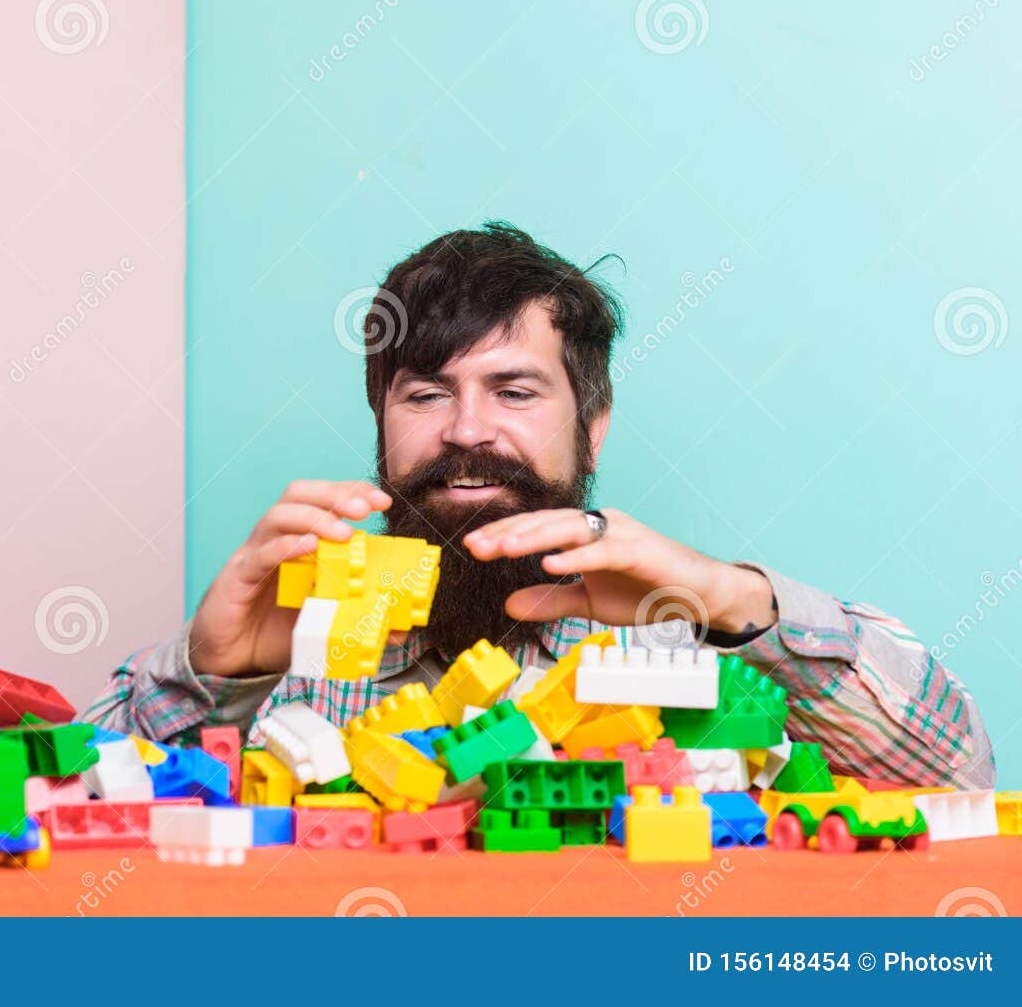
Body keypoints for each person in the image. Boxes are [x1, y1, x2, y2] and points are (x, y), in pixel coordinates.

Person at [83, 223, 995, 789]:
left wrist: (734, 603)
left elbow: (951, 771)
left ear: (592, 431)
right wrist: (206, 670)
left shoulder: (684, 645)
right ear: (380, 427)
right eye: (425, 393)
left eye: (515, 392)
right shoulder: (292, 657)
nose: (467, 431)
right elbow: (50, 815)